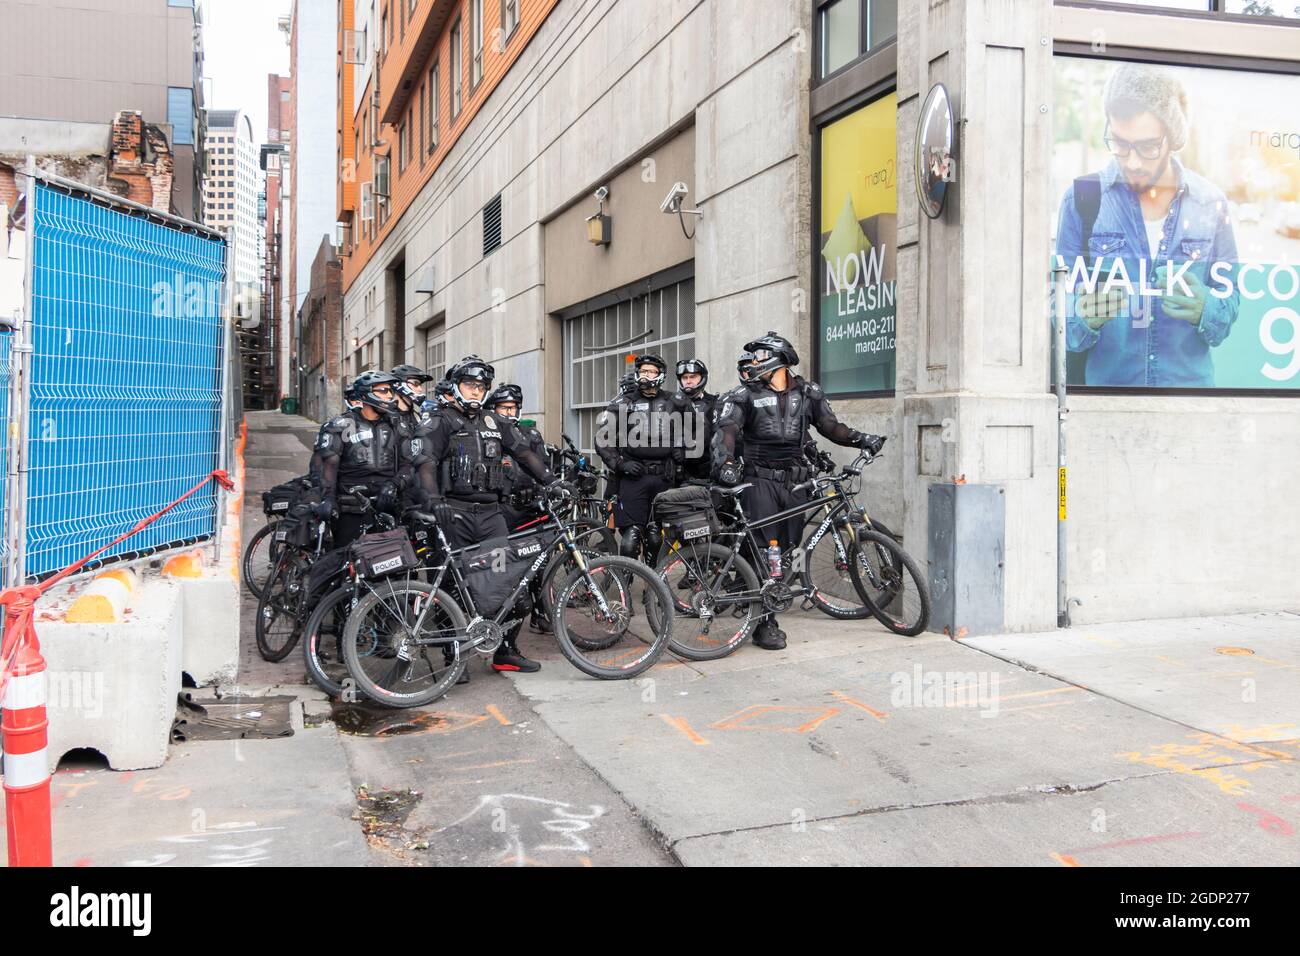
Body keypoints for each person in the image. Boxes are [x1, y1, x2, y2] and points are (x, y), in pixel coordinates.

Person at [1055, 61, 1240, 387]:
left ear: (1174, 136)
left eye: (1148, 146)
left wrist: (1205, 309)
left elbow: (1230, 307)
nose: (1133, 161)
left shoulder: (1211, 203)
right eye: (1120, 143)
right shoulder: (1081, 199)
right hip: (1107, 407)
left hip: (1191, 407)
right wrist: (1084, 315)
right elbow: (1056, 310)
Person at [713, 331, 884, 650]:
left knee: (789, 548)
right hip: (758, 479)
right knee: (769, 550)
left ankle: (764, 596)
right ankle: (765, 623)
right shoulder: (744, 395)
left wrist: (863, 438)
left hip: (796, 481)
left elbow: (831, 427)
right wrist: (724, 461)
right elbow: (727, 431)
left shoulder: (808, 392)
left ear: (779, 359)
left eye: (760, 356)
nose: (754, 362)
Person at [403, 356, 569, 674]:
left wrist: (552, 481)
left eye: (482, 387)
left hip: (492, 516)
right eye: (470, 385)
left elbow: (523, 452)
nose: (477, 391)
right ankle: (455, 658)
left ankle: (505, 651)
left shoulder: (495, 422)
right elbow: (424, 462)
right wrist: (433, 499)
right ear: (455, 387)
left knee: (507, 584)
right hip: (455, 515)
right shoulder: (440, 421)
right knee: (452, 588)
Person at [594, 355, 682, 562]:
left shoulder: (674, 401)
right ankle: (626, 580)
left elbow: (697, 430)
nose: (647, 375)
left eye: (651, 371)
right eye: (643, 371)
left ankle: (653, 589)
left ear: (660, 375)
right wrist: (620, 464)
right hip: (633, 479)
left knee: (655, 537)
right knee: (630, 539)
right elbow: (602, 439)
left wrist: (683, 451)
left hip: (663, 479)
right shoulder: (623, 402)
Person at [310, 370, 404, 549]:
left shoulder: (398, 425)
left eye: (391, 391)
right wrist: (328, 499)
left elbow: (409, 463)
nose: (390, 395)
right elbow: (328, 467)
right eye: (383, 391)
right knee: (347, 564)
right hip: (351, 509)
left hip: (387, 507)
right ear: (366, 394)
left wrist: (395, 484)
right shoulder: (340, 425)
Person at [484, 383, 547, 530]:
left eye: (512, 408)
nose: (509, 412)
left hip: (532, 507)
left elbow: (543, 466)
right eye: (504, 408)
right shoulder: (487, 435)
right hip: (501, 509)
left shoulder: (532, 435)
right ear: (493, 409)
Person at [673, 358, 716, 484]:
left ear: (702, 378)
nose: (688, 381)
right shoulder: (671, 404)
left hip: (708, 471)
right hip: (679, 472)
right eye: (684, 377)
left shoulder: (716, 403)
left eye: (693, 377)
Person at [390, 364, 434, 434]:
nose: (420, 389)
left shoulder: (417, 416)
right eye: (415, 384)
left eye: (420, 385)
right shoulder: (387, 418)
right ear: (398, 384)